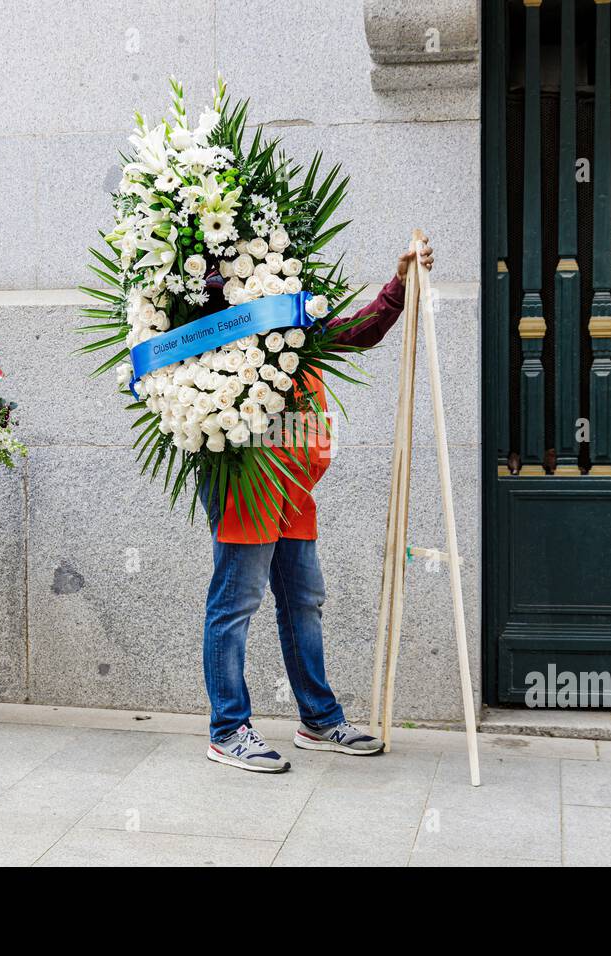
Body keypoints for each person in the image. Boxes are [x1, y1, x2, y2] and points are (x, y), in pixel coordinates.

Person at [202, 238, 435, 773]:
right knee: (236, 603)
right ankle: (228, 729)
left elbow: (358, 332)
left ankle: (318, 718)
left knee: (303, 599)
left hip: (294, 484)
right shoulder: (217, 319)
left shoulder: (296, 318)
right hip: (246, 479)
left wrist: (398, 285)